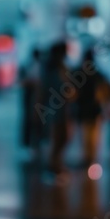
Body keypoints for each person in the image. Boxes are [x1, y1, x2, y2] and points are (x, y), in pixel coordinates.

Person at [43, 42, 71, 177]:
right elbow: (42, 89)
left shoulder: (62, 67)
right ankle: (52, 166)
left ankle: (57, 163)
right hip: (53, 108)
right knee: (56, 138)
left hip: (64, 108)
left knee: (64, 137)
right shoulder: (51, 69)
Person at [74, 50, 107, 166]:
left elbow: (74, 92)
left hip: (83, 108)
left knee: (84, 135)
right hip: (94, 109)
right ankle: (91, 157)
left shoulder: (79, 73)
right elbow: (103, 91)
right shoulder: (97, 74)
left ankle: (87, 157)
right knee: (93, 134)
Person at [19, 49, 43, 151]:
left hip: (34, 96)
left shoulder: (31, 65)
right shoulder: (37, 66)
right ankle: (32, 141)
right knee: (33, 119)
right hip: (33, 96)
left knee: (33, 119)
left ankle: (33, 141)